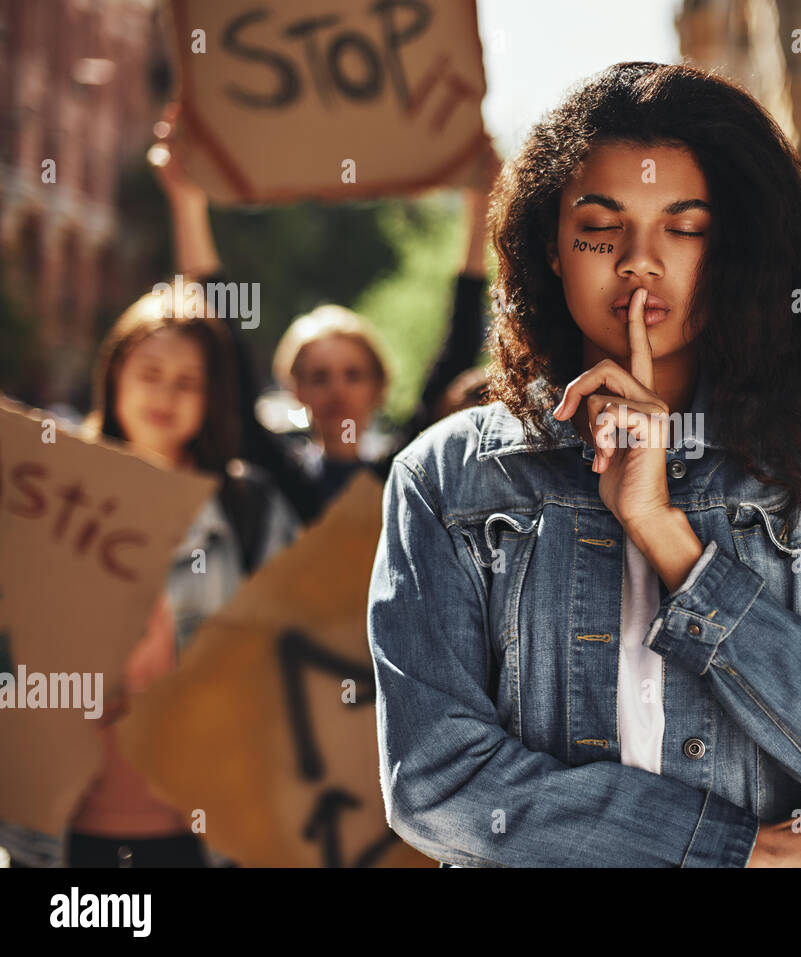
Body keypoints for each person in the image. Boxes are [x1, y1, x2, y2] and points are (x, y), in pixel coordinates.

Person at [368, 61, 801, 868]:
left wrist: (666, 534)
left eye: (685, 227)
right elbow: (436, 786)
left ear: (732, 252)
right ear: (551, 245)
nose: (640, 261)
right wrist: (745, 850)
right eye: (601, 227)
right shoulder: (445, 479)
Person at [150, 109, 499, 524]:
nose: (338, 391)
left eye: (353, 374)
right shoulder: (274, 482)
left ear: (380, 387)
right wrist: (186, 202)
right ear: (295, 390)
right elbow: (225, 342)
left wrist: (482, 206)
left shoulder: (404, 476)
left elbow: (458, 350)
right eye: (319, 377)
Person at [65, 284, 299, 867]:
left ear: (212, 398)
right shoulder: (51, 495)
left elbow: (300, 650)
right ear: (114, 372)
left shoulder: (249, 506)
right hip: (66, 831)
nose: (165, 394)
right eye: (149, 371)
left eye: (187, 382)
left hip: (207, 835)